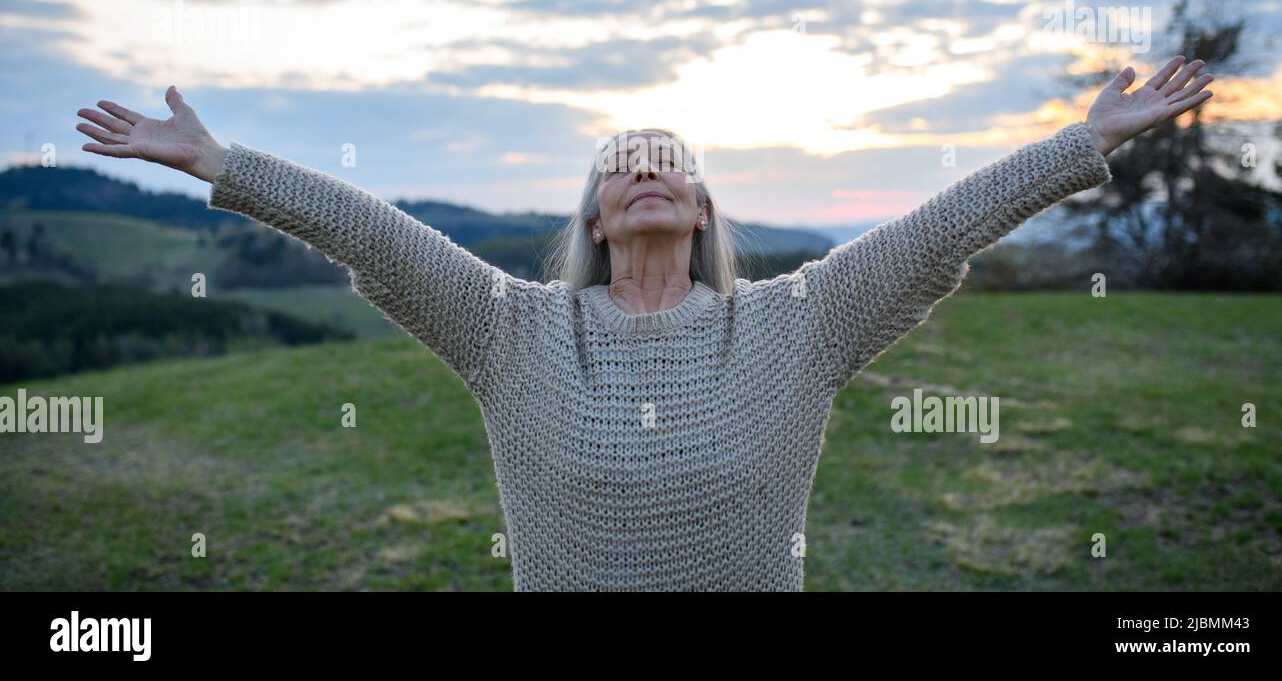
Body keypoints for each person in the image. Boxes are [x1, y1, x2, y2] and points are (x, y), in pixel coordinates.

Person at [74, 57, 1214, 590]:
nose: (650, 171)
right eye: (625, 166)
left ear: (705, 207)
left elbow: (930, 232)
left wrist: (1086, 142)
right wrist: (220, 163)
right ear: (599, 215)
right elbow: (371, 234)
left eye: (672, 163)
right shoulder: (505, 328)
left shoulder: (796, 327)